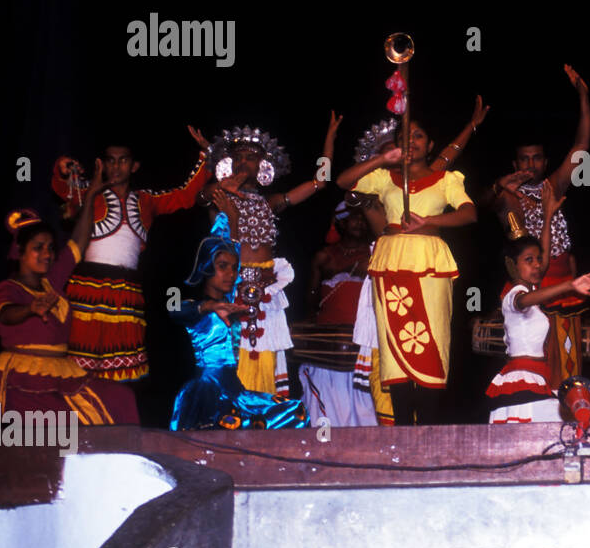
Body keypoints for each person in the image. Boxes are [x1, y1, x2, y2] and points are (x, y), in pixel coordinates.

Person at [347, 99, 489, 424]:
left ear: (430, 143)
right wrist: (384, 159)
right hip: (391, 262)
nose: (411, 141)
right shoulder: (383, 178)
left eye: (419, 136)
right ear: (395, 146)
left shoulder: (447, 178)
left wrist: (429, 222)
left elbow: (470, 213)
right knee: (394, 347)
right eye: (404, 137)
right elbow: (343, 182)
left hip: (430, 262)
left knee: (432, 339)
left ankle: (426, 427)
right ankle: (400, 429)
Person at [52, 127, 212, 387]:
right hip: (86, 288)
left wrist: (207, 155)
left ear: (134, 166)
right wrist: (62, 166)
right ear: (102, 165)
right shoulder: (88, 193)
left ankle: (112, 421)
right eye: (111, 161)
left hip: (126, 291)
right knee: (79, 365)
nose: (116, 167)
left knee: (118, 370)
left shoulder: (146, 201)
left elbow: (184, 196)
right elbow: (62, 188)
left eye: (123, 160)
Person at [206, 114, 341, 399]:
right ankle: (235, 414)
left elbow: (322, 181)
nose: (244, 162)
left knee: (267, 353)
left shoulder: (272, 201)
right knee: (235, 352)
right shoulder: (217, 197)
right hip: (233, 288)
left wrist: (330, 140)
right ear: (229, 163)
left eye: (251, 157)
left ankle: (265, 415)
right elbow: (202, 197)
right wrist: (222, 182)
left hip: (267, 288)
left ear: (263, 165)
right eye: (238, 157)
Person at [0, 172, 138, 424]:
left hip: (61, 373)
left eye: (50, 248)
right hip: (24, 381)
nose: (47, 254)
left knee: (121, 398)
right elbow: (6, 313)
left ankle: (123, 461)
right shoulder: (8, 288)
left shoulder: (53, 282)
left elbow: (78, 240)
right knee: (57, 430)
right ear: (19, 251)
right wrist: (30, 309)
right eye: (38, 247)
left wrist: (90, 196)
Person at [477, 66, 590, 386]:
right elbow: (480, 204)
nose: (531, 165)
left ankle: (570, 422)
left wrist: (584, 95)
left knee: (568, 369)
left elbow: (581, 146)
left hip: (564, 282)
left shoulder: (552, 186)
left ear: (545, 161)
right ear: (515, 164)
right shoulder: (507, 197)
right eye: (525, 159)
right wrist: (499, 186)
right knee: (532, 363)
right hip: (531, 285)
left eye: (537, 158)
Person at [487, 182, 590, 423]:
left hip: (538, 374)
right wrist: (569, 285)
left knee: (583, 414)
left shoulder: (531, 288)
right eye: (528, 260)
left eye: (537, 260)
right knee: (580, 417)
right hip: (521, 378)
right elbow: (527, 299)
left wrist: (548, 215)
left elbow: (543, 263)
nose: (537, 265)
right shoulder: (514, 296)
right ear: (513, 265)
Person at [169, 233, 307, 430]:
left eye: (235, 268)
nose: (231, 273)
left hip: (234, 391)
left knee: (295, 413)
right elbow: (171, 308)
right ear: (206, 267)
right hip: (207, 391)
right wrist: (207, 306)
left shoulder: (234, 304)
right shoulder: (195, 306)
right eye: (223, 266)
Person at [295, 198, 377, 427]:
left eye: (363, 219)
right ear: (341, 222)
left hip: (362, 338)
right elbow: (311, 294)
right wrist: (310, 324)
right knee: (326, 402)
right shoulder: (325, 256)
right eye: (354, 218)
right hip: (329, 339)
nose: (359, 223)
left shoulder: (376, 253)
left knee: (364, 404)